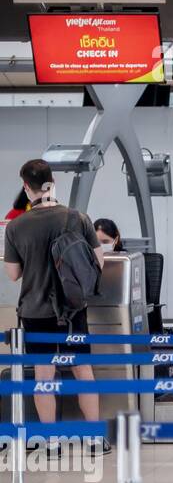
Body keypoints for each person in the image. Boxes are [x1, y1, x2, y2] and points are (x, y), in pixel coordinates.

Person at [2, 159, 109, 454]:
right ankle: (94, 438)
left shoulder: (16, 226)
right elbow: (98, 262)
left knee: (43, 375)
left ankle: (51, 442)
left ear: (26, 187)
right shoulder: (77, 218)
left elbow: (13, 274)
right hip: (73, 308)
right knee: (82, 370)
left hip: (35, 310)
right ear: (52, 183)